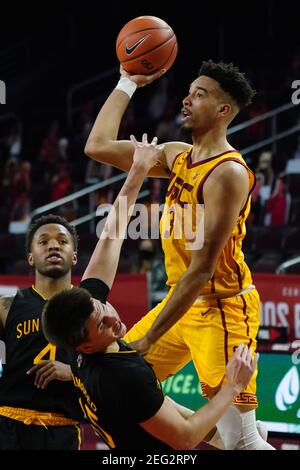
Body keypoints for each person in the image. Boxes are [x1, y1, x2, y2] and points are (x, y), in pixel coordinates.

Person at [84, 60, 274, 450]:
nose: (186, 99)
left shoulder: (228, 174)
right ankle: (214, 430)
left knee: (243, 442)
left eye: (200, 94)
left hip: (222, 309)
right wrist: (126, 82)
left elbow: (202, 270)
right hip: (182, 302)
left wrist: (151, 336)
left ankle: (239, 432)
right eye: (189, 91)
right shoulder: (177, 156)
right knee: (116, 374)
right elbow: (97, 146)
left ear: (223, 111)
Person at [42, 135, 258, 450]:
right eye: (102, 325)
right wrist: (232, 387)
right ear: (85, 347)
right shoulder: (121, 375)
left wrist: (137, 172)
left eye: (103, 309)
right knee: (241, 441)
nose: (112, 320)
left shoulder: (81, 327)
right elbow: (185, 437)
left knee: (237, 440)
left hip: (134, 415)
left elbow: (113, 232)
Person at [0, 214, 83, 450]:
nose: (54, 245)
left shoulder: (92, 308)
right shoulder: (7, 307)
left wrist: (73, 371)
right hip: (8, 425)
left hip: (63, 430)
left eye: (62, 241)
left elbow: (111, 369)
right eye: (43, 241)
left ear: (74, 256)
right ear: (30, 257)